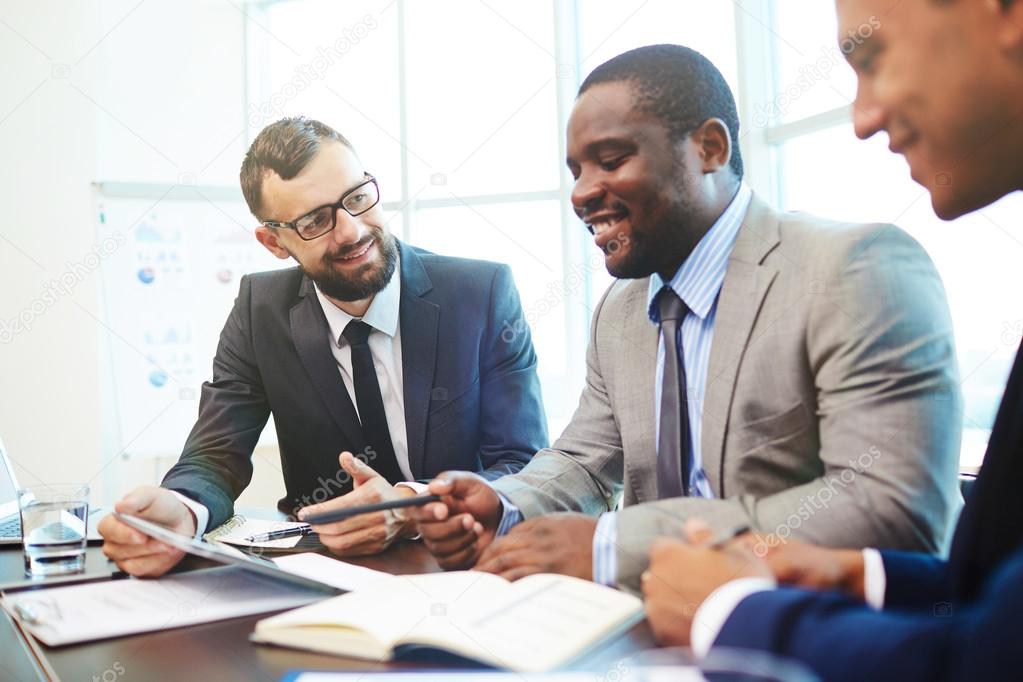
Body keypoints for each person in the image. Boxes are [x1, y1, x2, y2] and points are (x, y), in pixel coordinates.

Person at [411, 44, 963, 592]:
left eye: (611, 160)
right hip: (657, 629)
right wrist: (504, 503)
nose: (581, 193)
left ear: (710, 148)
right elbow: (584, 461)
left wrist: (613, 545)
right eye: (576, 171)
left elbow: (891, 507)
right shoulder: (620, 311)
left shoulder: (853, 270)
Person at [640, 1, 1023, 679]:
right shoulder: (623, 310)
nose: (861, 118)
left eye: (871, 60)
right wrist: (859, 577)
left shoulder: (853, 264)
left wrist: (726, 612)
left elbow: (980, 663)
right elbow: (997, 596)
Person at [98, 117, 548, 576]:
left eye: (356, 198)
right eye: (316, 220)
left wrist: (413, 503)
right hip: (326, 579)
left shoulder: (481, 294)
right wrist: (182, 510)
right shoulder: (260, 310)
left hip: (467, 572)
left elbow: (525, 466)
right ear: (273, 242)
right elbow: (216, 454)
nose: (351, 231)